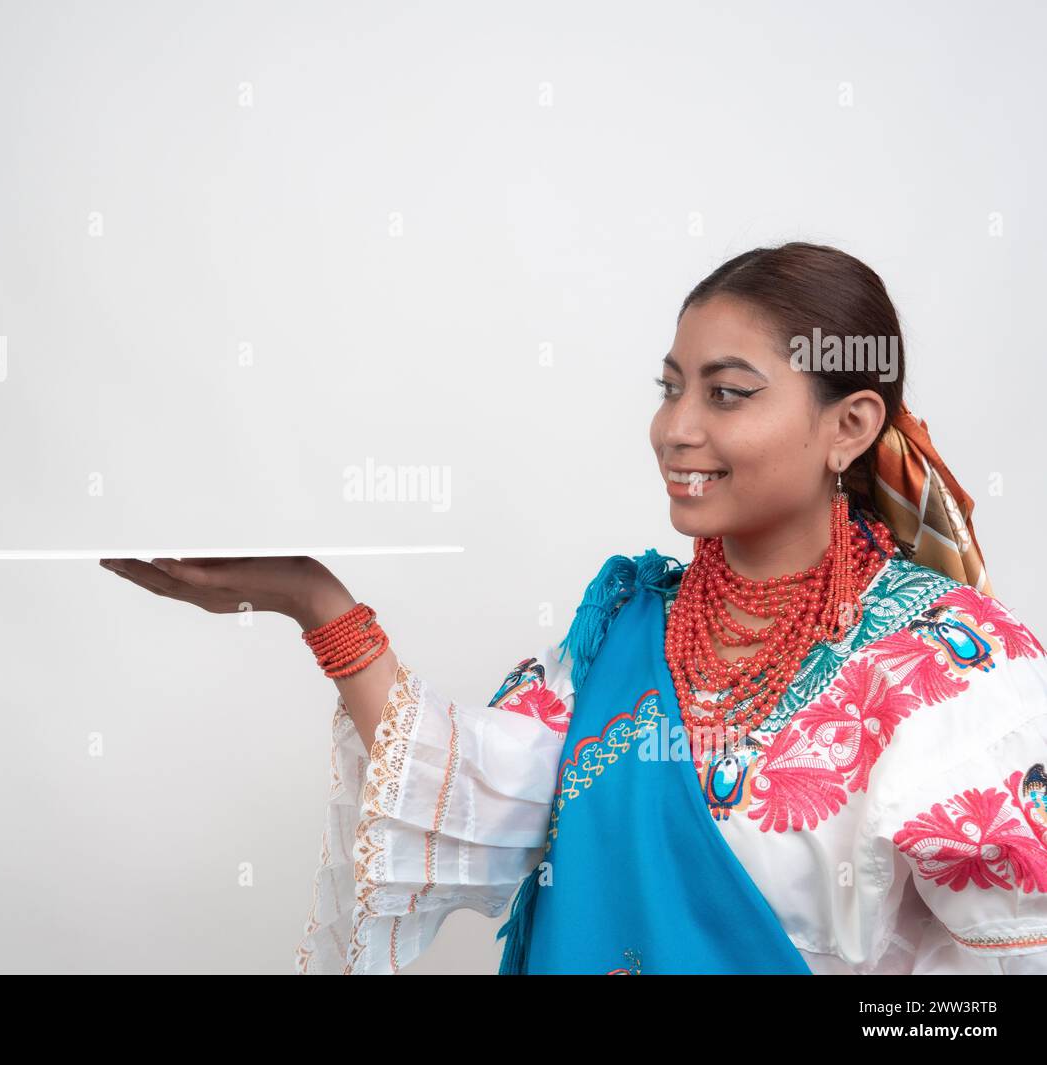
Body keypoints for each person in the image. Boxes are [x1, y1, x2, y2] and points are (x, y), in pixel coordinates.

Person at [101, 242, 1047, 975]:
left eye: (727, 393)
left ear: (851, 425)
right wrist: (314, 601)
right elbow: (474, 801)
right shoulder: (625, 630)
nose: (677, 427)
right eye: (672, 387)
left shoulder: (950, 671)